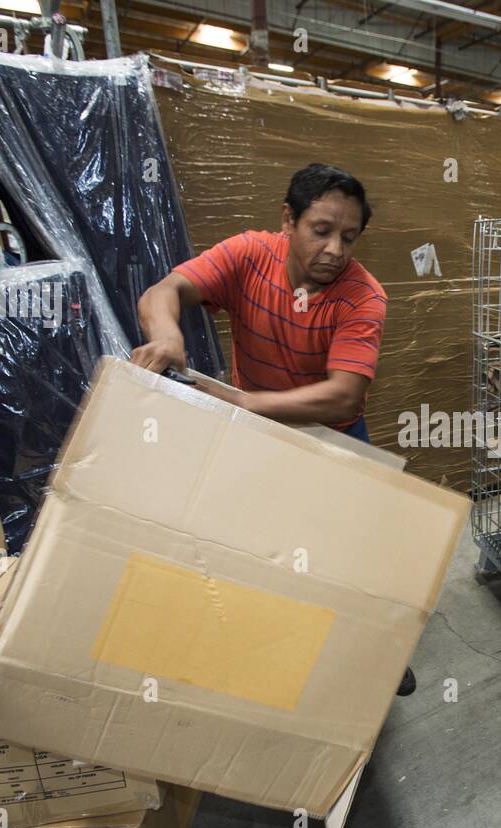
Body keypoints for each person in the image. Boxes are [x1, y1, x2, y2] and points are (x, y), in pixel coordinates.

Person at [133, 163, 417, 696]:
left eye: (349, 238)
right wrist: (168, 337)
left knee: (354, 555)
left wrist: (239, 401)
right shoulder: (247, 255)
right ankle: (274, 646)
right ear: (288, 219)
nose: (335, 249)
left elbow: (343, 393)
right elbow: (163, 292)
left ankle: (377, 652)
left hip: (332, 435)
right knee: (260, 542)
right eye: (322, 230)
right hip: (257, 428)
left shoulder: (362, 296)